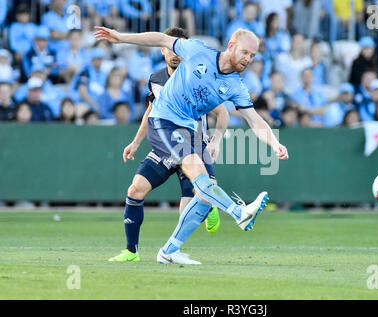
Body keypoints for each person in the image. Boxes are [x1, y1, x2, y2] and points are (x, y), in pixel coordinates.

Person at [95, 26, 288, 264]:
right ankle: (239, 213)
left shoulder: (236, 86)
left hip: (189, 132)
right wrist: (121, 37)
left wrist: (274, 143)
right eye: (245, 52)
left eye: (253, 56)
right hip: (164, 122)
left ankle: (169, 251)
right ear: (231, 46)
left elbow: (254, 120)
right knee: (196, 176)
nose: (248, 59)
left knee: (205, 194)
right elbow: (161, 38)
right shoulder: (198, 51)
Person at [105, 27, 228, 262]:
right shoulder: (156, 80)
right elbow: (150, 113)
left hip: (191, 146)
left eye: (178, 49)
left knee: (188, 209)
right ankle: (131, 252)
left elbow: (222, 113)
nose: (175, 54)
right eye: (170, 49)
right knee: (135, 189)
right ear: (162, 50)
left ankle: (177, 246)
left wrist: (217, 139)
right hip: (164, 144)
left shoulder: (196, 79)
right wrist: (135, 142)